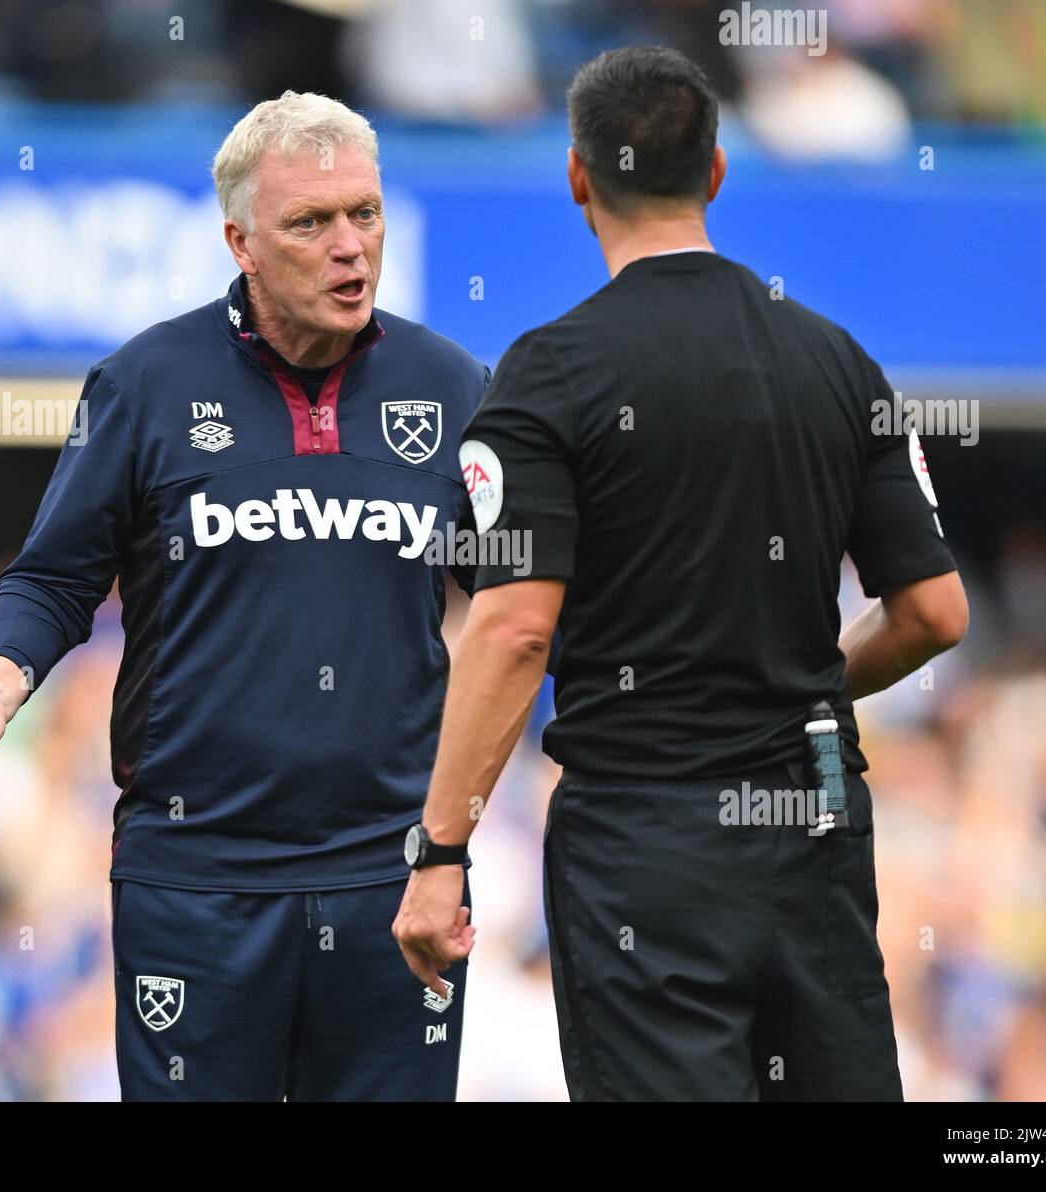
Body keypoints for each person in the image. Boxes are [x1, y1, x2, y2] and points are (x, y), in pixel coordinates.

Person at [393, 46, 969, 1102]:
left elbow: (516, 629)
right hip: (812, 815)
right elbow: (934, 611)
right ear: (714, 171)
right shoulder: (838, 359)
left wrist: (440, 850)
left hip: (641, 842)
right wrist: (808, 687)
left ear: (577, 177)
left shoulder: (548, 374)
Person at [0, 92, 487, 1101]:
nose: (350, 247)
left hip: (392, 881)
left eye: (365, 213)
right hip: (195, 881)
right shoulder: (145, 384)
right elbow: (52, 576)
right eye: (310, 223)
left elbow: (529, 600)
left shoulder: (453, 388)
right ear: (241, 242)